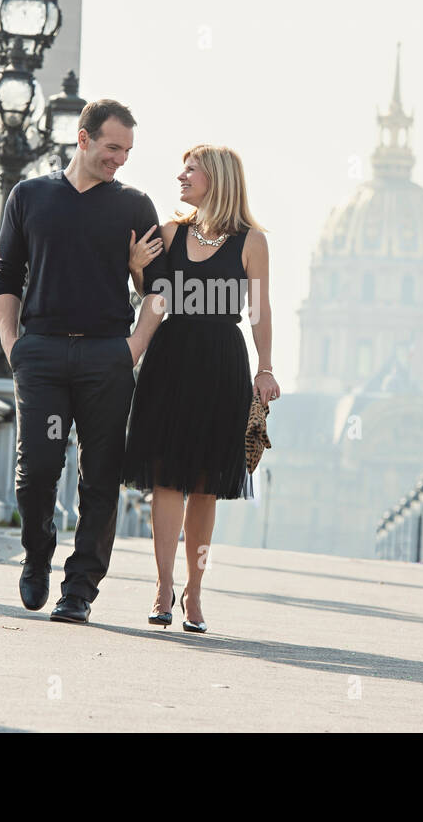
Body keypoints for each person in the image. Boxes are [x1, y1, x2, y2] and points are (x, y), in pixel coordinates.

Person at [0, 99, 168, 625]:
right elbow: (5, 274)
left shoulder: (135, 206)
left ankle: (80, 589)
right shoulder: (30, 196)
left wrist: (133, 347)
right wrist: (12, 345)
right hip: (41, 352)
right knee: (39, 467)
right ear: (84, 139)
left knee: (100, 476)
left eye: (128, 151)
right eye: (113, 147)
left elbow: (159, 291)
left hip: (105, 356)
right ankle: (37, 552)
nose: (121, 159)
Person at [122, 144, 280, 633]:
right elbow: (155, 295)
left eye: (190, 170)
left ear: (217, 178)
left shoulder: (252, 241)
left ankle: (195, 592)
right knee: (166, 477)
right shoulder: (171, 232)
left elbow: (259, 311)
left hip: (221, 364)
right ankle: (162, 587)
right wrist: (134, 267)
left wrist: (266, 368)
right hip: (169, 359)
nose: (180, 176)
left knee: (206, 485)